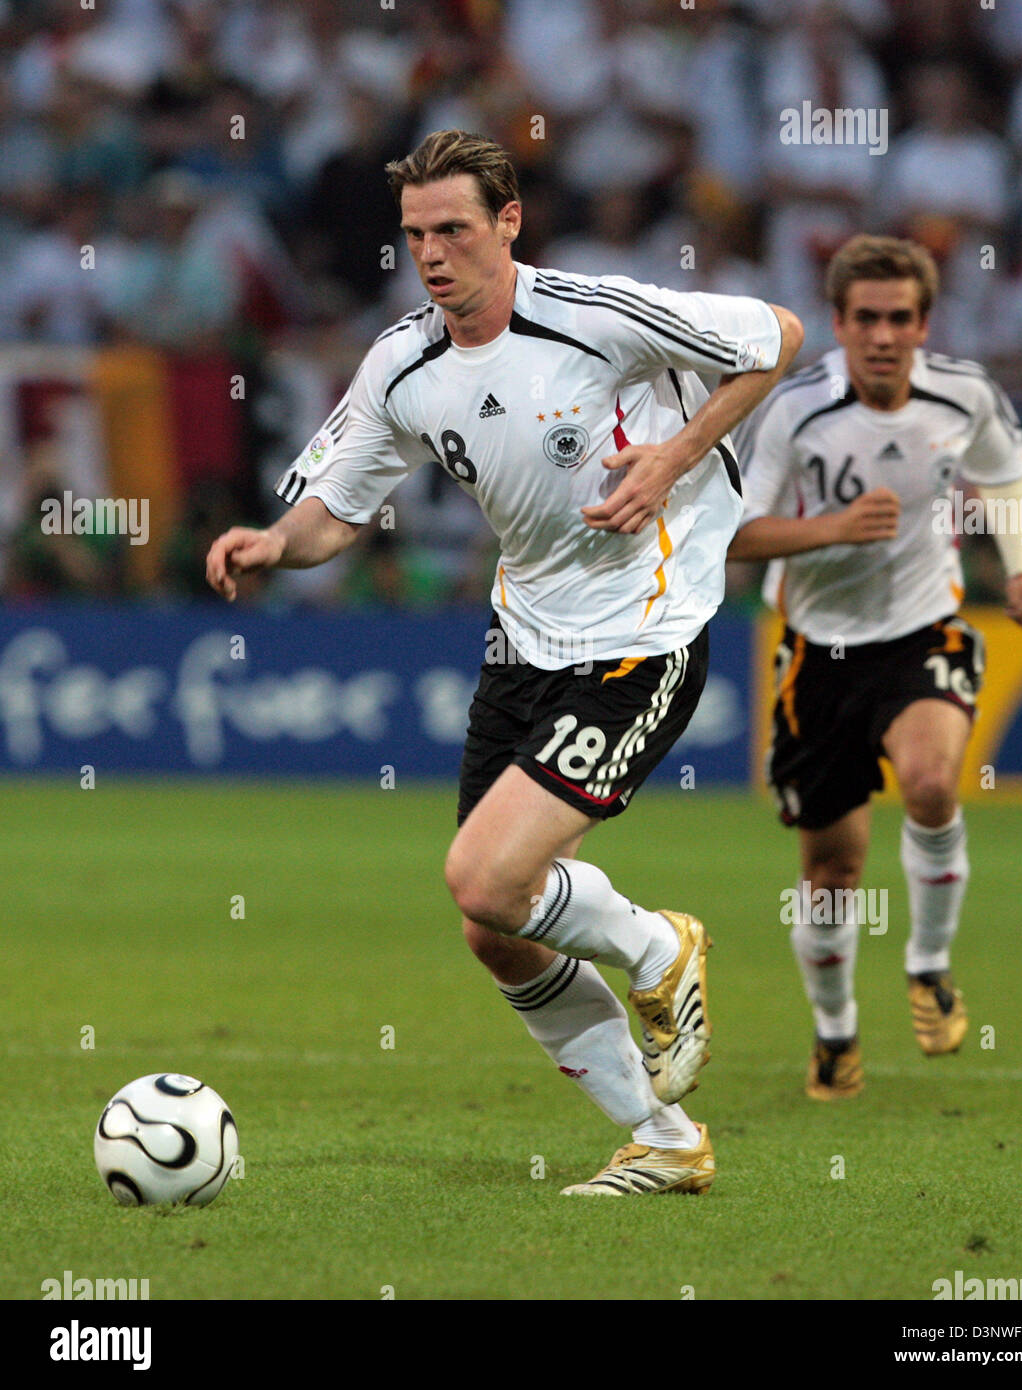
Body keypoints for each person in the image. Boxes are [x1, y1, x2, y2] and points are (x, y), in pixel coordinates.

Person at [206, 129, 803, 1193]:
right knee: (494, 926)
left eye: (453, 230)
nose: (431, 254)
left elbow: (778, 336)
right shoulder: (402, 361)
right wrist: (272, 544)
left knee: (484, 876)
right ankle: (662, 1141)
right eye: (415, 235)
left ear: (508, 221)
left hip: (642, 634)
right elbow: (335, 511)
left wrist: (668, 458)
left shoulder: (593, 312)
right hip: (523, 638)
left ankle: (658, 942)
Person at [729, 234, 1022, 1099]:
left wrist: (1021, 570)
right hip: (815, 655)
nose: (880, 335)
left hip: (922, 632)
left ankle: (929, 964)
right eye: (863, 318)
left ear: (922, 323)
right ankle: (834, 1030)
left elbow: (1006, 474)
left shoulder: (964, 395)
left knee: (930, 786)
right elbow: (732, 533)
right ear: (836, 323)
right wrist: (828, 530)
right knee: (831, 870)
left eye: (897, 318)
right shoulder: (794, 413)